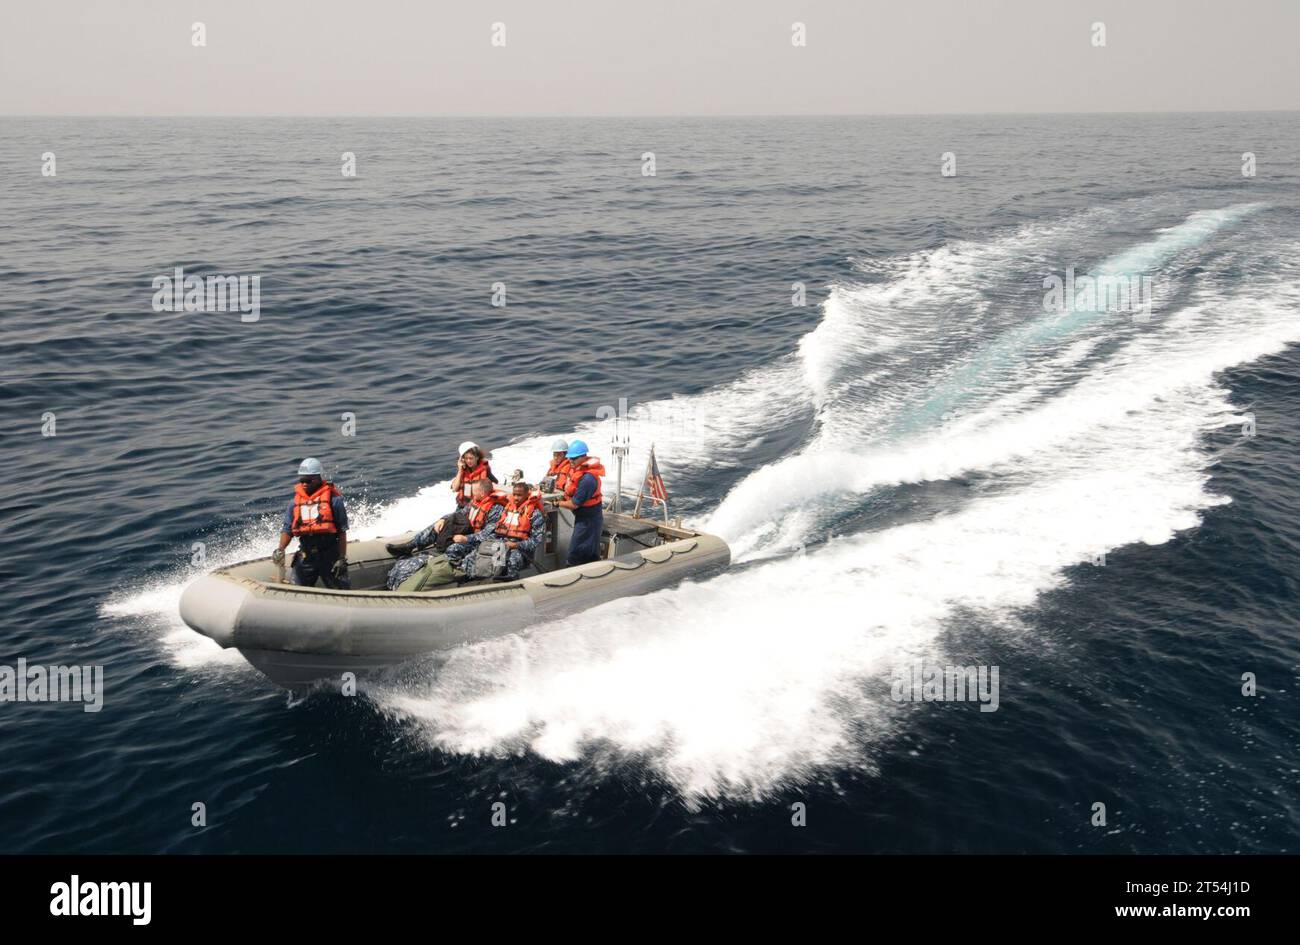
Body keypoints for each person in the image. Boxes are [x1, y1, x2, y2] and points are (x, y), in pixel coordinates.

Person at [384, 479, 505, 589]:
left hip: (475, 541)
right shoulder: (475, 503)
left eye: (474, 491)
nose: (472, 494)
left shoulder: (495, 509)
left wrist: (466, 538)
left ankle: (451, 570)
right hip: (465, 533)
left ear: (483, 493)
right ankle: (410, 545)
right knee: (437, 526)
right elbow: (459, 514)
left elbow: (488, 534)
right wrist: (443, 519)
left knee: (454, 548)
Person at [272, 458, 350, 588]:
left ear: (318, 478)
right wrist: (280, 549)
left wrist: (342, 558)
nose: (304, 484)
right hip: (306, 556)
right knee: (296, 591)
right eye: (302, 480)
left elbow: (342, 531)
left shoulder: (334, 501)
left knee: (341, 590)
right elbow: (287, 530)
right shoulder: (294, 503)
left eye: (308, 480)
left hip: (329, 555)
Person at [446, 480, 545, 581]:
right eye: (514, 494)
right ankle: (470, 579)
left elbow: (536, 541)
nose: (515, 498)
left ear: (526, 495)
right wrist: (487, 542)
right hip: (500, 543)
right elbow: (495, 531)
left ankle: (509, 583)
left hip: (519, 548)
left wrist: (516, 545)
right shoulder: (507, 508)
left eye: (519, 495)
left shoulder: (534, 514)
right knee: (474, 556)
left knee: (511, 561)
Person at [557, 440, 605, 566]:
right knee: (586, 551)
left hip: (589, 520)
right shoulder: (576, 472)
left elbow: (574, 504)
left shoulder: (588, 479)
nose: (571, 461)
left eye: (574, 458)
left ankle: (575, 576)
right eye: (569, 459)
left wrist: (557, 503)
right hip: (581, 517)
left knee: (577, 553)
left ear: (584, 457)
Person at [450, 441, 496, 506]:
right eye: (466, 458)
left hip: (477, 504)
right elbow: (455, 489)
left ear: (477, 457)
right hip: (463, 504)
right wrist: (460, 470)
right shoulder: (463, 471)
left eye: (471, 458)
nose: (468, 461)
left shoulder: (485, 469)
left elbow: (495, 483)